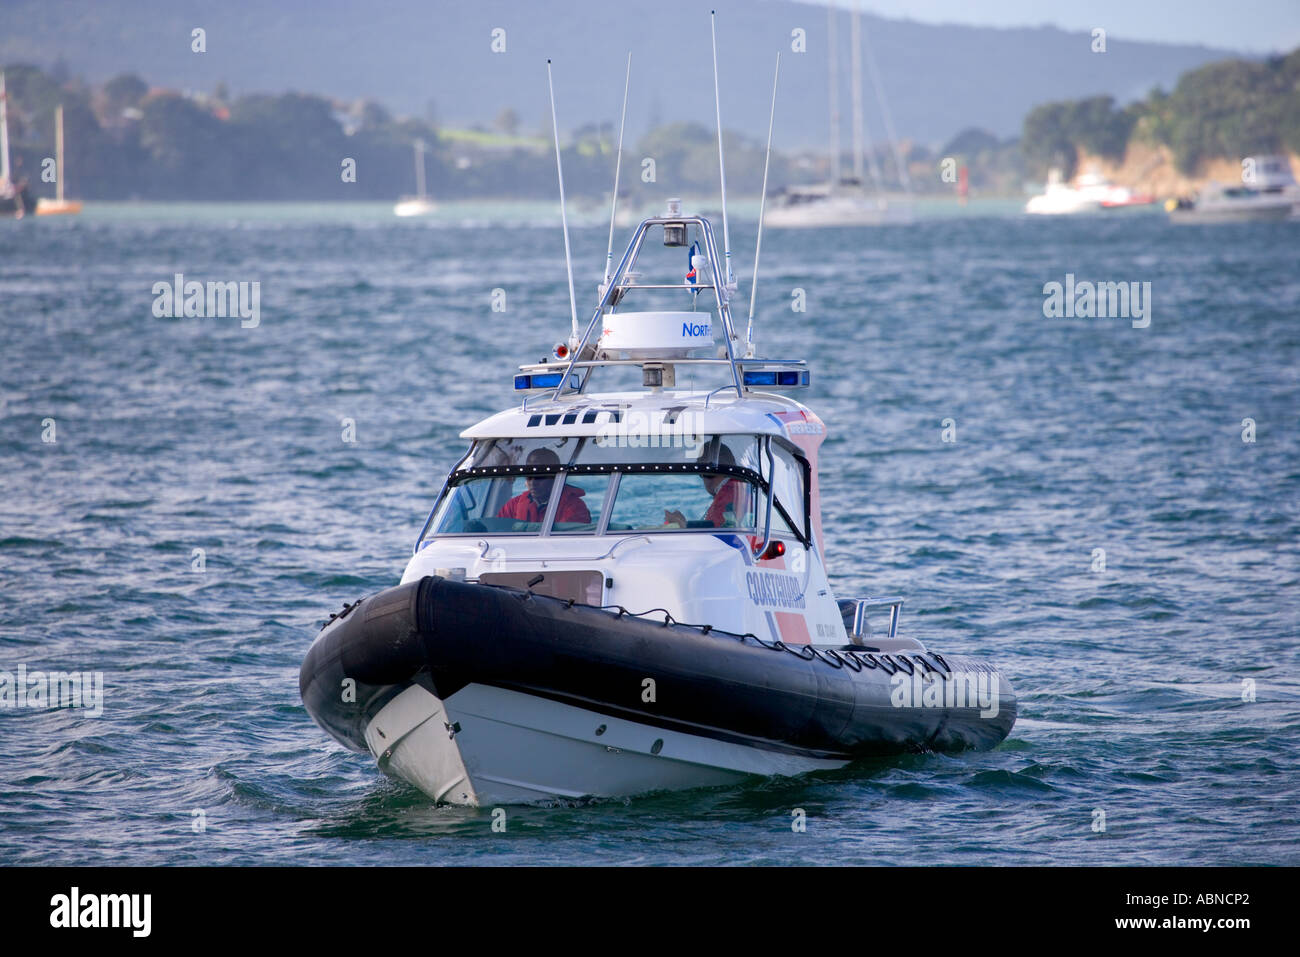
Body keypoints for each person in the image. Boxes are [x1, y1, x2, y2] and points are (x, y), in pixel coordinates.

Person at [497, 448, 590, 524]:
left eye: (540, 477)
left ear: (554, 478)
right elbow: (497, 530)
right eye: (529, 476)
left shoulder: (574, 506)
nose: (533, 483)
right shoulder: (513, 506)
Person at [663, 445, 748, 528]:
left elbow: (717, 534)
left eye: (701, 473)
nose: (702, 477)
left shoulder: (728, 495)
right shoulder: (738, 489)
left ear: (708, 472)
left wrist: (682, 524)